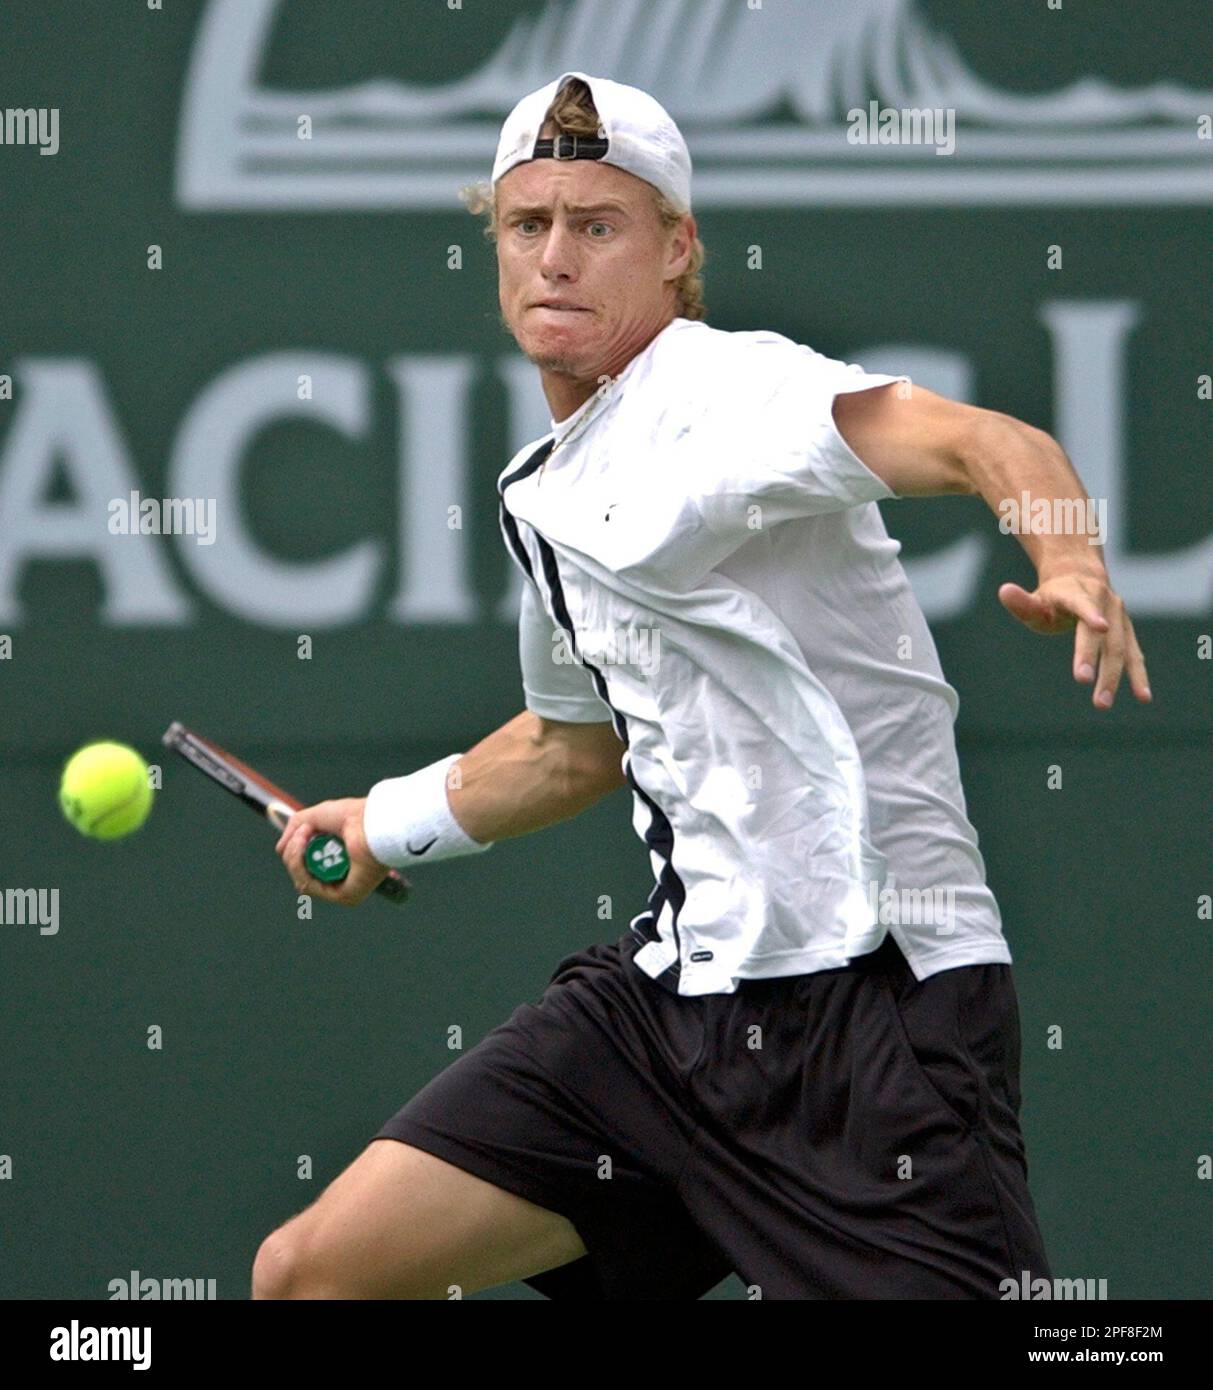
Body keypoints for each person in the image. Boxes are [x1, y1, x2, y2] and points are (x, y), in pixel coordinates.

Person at [254, 71, 1151, 1301]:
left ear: (677, 249)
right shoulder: (551, 486)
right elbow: (573, 746)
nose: (555, 257)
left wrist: (1070, 560)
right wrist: (382, 822)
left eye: (597, 225)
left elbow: (986, 442)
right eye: (528, 225)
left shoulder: (736, 395)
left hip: (874, 1015)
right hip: (669, 1012)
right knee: (310, 1275)